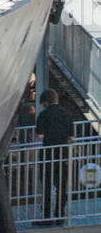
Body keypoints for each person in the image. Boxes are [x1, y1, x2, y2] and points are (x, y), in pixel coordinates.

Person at [35, 88, 72, 225]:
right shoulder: (67, 115)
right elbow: (71, 137)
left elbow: (39, 136)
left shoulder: (43, 115)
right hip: (63, 155)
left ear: (45, 102)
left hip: (47, 155)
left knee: (46, 187)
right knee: (62, 186)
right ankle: (60, 215)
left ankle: (46, 217)